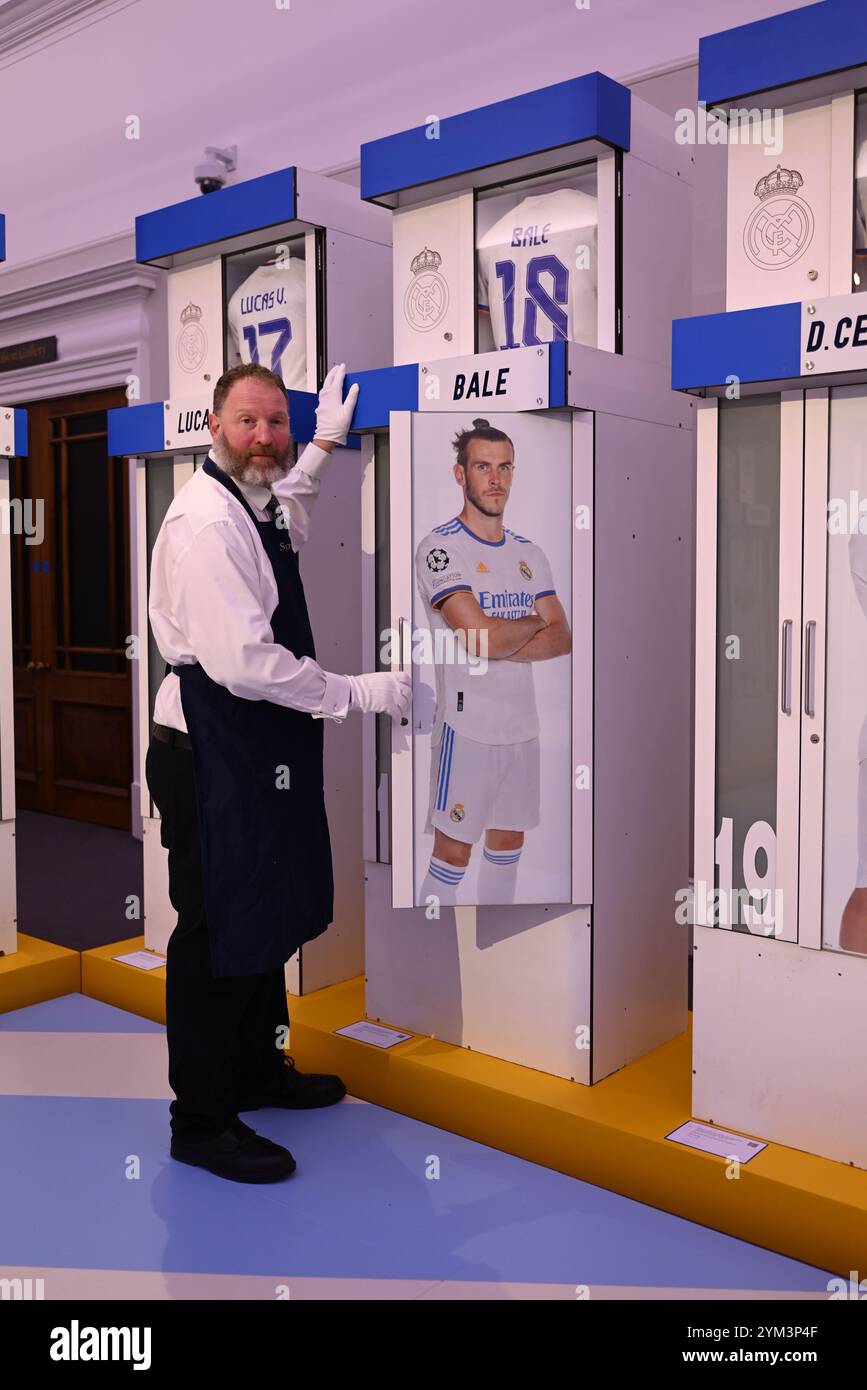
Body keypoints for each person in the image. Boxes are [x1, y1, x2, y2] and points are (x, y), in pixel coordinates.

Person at [146, 361, 411, 1182]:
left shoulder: (246, 500)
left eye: (276, 423)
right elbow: (248, 665)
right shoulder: (202, 526)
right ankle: (200, 1120)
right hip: (210, 749)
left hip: (252, 748)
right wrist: (357, 691)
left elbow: (283, 512)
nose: (263, 438)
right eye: (247, 422)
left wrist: (326, 443)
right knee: (216, 932)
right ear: (213, 426)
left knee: (260, 916)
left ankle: (259, 1072)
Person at [415, 418, 571, 907]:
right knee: (453, 852)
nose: (496, 479)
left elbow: (563, 636)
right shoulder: (440, 549)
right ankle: (430, 960)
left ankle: (499, 957)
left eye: (504, 467)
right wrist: (525, 624)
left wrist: (497, 635)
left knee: (509, 845)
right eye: (483, 467)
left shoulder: (530, 553)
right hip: (467, 728)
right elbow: (478, 636)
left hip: (523, 728)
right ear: (461, 475)